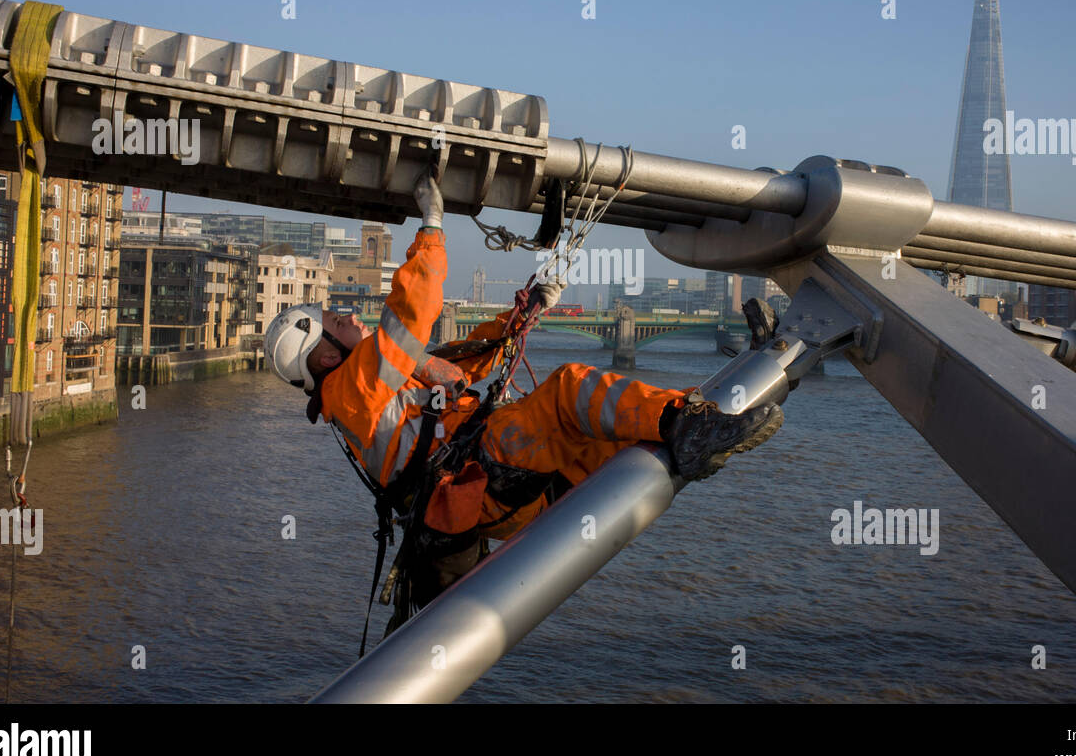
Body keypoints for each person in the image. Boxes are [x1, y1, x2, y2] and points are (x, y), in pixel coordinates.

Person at [263, 172, 783, 624]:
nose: (351, 318)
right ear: (324, 357)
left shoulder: (373, 388)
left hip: (505, 486)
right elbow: (411, 312)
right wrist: (432, 224)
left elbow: (470, 358)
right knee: (570, 391)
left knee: (625, 439)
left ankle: (728, 396)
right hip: (485, 471)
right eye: (336, 322)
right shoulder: (354, 389)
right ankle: (691, 420)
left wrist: (524, 310)